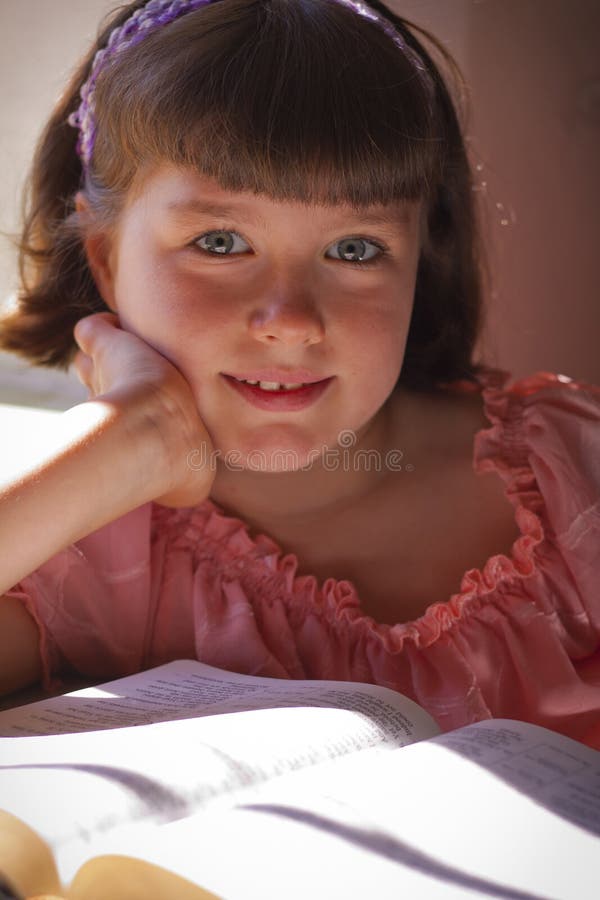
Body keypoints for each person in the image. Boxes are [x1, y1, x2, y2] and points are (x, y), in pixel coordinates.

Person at [0, 0, 598, 748]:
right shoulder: (93, 550)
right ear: (107, 261)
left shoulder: (569, 475)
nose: (290, 320)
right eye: (221, 242)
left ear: (418, 262)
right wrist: (129, 438)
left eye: (354, 249)